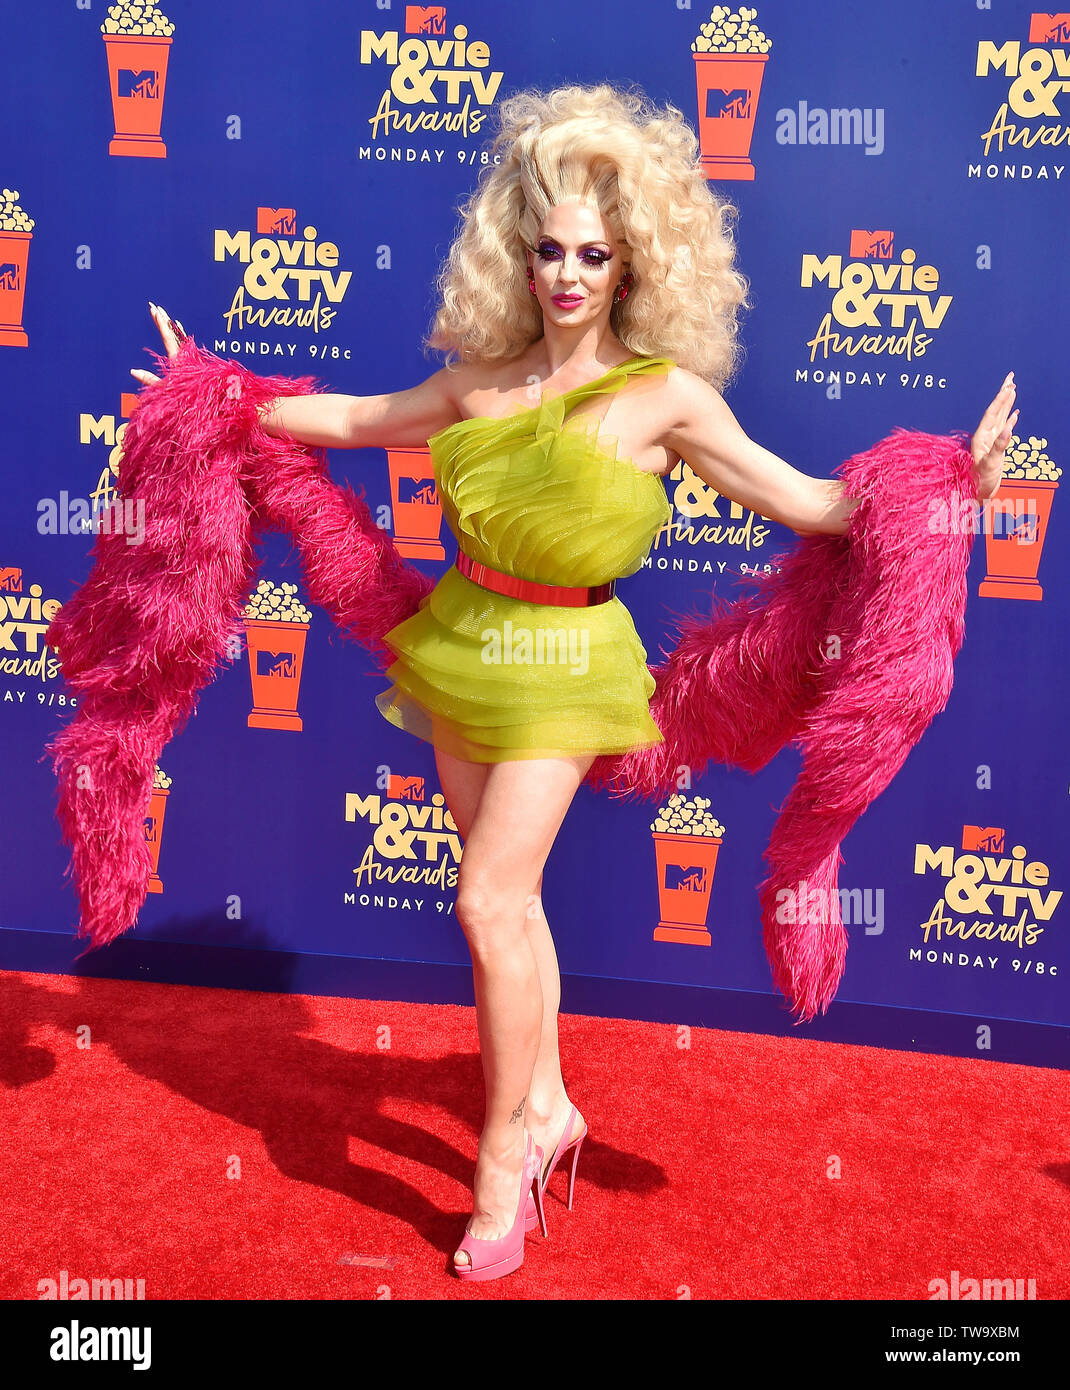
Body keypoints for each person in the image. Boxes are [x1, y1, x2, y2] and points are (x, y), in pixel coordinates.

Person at [133, 83, 1017, 1282]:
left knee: (488, 904)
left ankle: (500, 1160)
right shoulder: (478, 380)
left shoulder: (668, 398)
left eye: (592, 255)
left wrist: (945, 478)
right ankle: (545, 1101)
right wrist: (219, 397)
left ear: (632, 264)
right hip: (462, 647)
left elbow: (814, 504)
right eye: (546, 250)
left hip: (568, 667)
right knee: (515, 905)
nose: (565, 276)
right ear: (515, 250)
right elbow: (346, 415)